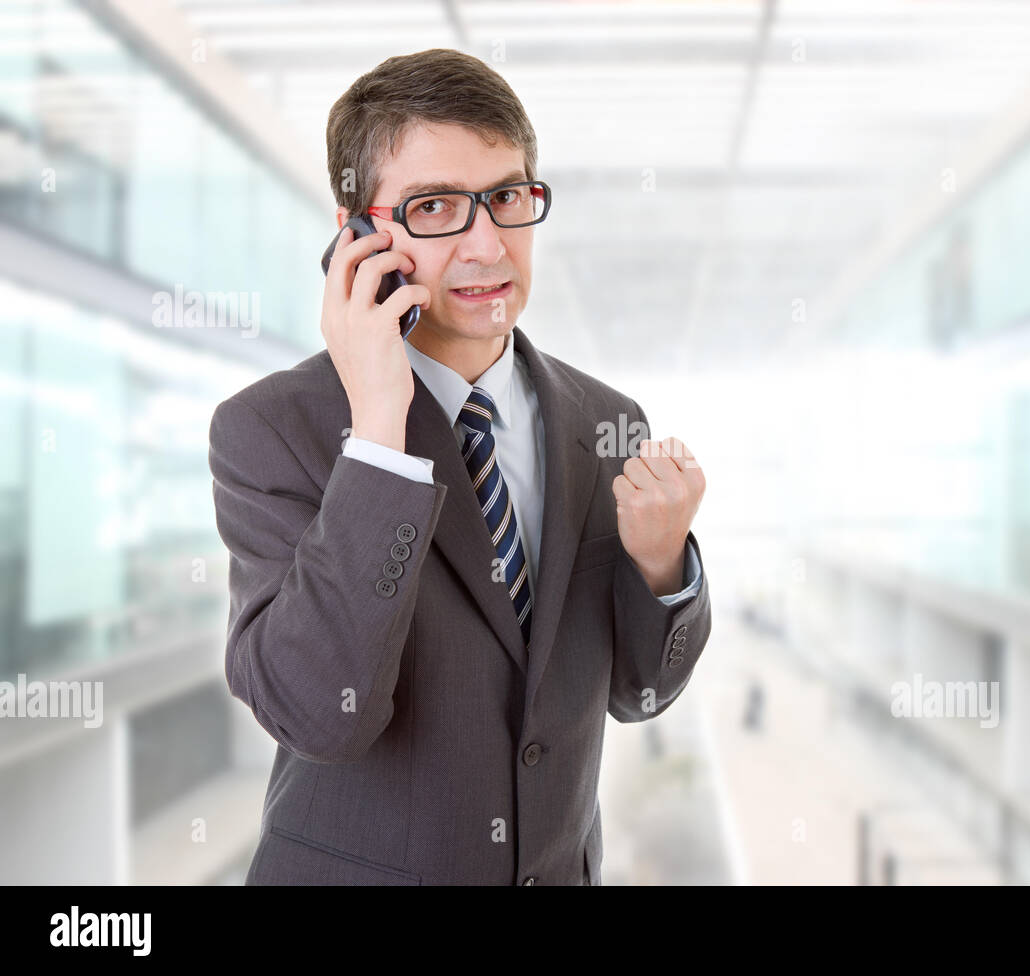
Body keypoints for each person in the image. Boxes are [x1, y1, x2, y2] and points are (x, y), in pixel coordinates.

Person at [207, 48, 711, 885]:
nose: (488, 246)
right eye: (435, 206)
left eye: (507, 197)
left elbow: (637, 694)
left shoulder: (608, 422)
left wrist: (662, 565)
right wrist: (377, 427)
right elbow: (317, 712)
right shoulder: (271, 430)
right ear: (359, 236)